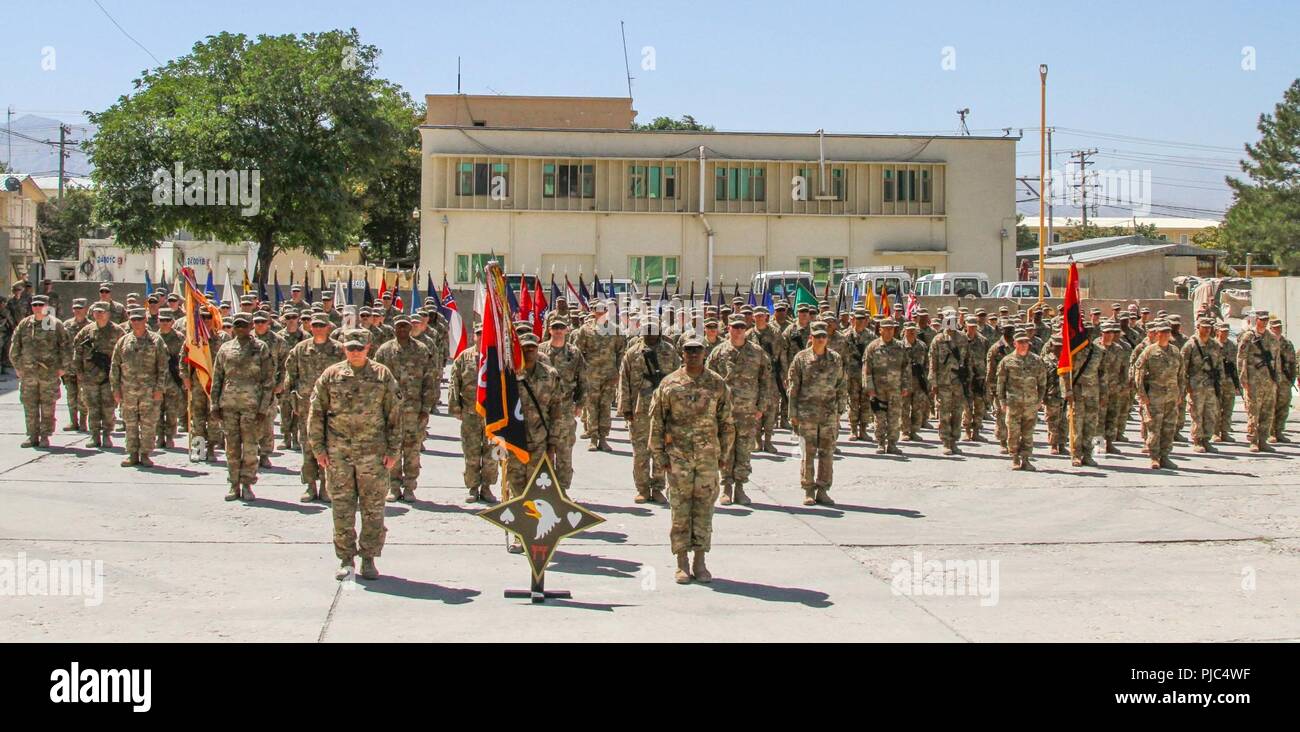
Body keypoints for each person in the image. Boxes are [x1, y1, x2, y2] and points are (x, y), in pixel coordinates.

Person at [307, 329, 401, 581]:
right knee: (342, 508)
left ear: (369, 347)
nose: (355, 352)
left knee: (373, 508)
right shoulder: (331, 375)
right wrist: (319, 449)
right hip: (339, 454)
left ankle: (369, 558)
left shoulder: (382, 375)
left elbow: (394, 415)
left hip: (373, 454)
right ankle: (346, 558)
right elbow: (316, 413)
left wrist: (393, 451)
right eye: (350, 348)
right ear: (344, 349)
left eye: (359, 348)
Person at [648, 336, 734, 584]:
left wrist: (724, 455)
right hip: (678, 458)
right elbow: (658, 422)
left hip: (708, 458)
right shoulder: (669, 384)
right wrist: (660, 455)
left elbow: (726, 422)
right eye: (689, 350)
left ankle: (700, 559)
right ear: (681, 353)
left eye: (697, 350)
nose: (693, 354)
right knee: (680, 508)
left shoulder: (717, 383)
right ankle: (681, 561)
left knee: (704, 508)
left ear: (705, 352)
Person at [504, 332, 565, 554]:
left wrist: (553, 444)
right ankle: (521, 535)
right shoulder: (509, 374)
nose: (529, 350)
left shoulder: (550, 375)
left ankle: (538, 534)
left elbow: (557, 411)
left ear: (538, 349)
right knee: (517, 490)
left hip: (540, 441)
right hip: (515, 443)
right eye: (525, 347)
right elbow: (499, 410)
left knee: (538, 492)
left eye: (532, 347)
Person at [210, 313, 276, 500]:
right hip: (229, 406)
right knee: (231, 447)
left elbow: (268, 380)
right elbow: (218, 378)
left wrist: (264, 408)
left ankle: (247, 484)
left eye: (244, 325)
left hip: (251, 408)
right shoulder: (225, 349)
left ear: (250, 326)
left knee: (249, 448)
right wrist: (214, 404)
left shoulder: (260, 348)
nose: (240, 329)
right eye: (237, 325)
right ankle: (233, 484)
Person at [707, 316, 770, 505]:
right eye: (735, 327)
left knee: (744, 450)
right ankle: (726, 487)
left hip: (748, 410)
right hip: (725, 411)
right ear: (728, 328)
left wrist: (761, 407)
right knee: (725, 449)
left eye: (742, 327)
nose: (738, 330)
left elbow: (765, 380)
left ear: (746, 328)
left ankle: (740, 488)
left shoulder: (757, 353)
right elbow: (708, 381)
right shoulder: (719, 352)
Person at [282, 314, 344, 502]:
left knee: (330, 447)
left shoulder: (339, 350)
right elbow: (290, 376)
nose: (317, 328)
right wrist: (292, 400)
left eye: (321, 325)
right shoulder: (300, 349)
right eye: (314, 325)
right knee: (308, 446)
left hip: (331, 407)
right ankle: (310, 485)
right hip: (306, 407)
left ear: (328, 327)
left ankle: (327, 487)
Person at [374, 315, 435, 502]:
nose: (402, 330)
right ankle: (393, 486)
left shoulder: (421, 350)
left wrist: (426, 408)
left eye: (405, 327)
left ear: (410, 329)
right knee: (392, 449)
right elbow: (376, 380)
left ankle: (409, 487)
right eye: (399, 326)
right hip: (391, 410)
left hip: (414, 411)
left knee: (412, 451)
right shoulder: (384, 351)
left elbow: (429, 380)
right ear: (394, 329)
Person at [786, 321, 846, 506]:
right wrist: (792, 413)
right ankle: (809, 489)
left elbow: (841, 384)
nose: (821, 339)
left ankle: (823, 489)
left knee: (827, 453)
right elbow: (793, 387)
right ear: (811, 337)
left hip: (828, 413)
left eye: (824, 336)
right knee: (808, 453)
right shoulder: (801, 358)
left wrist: (840, 410)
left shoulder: (835, 358)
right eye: (817, 336)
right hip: (807, 414)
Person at [619, 325, 680, 504]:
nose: (650, 333)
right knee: (640, 452)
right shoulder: (632, 353)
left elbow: (679, 378)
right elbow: (624, 380)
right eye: (647, 329)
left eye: (653, 329)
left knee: (660, 450)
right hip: (639, 409)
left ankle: (658, 487)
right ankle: (643, 489)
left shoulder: (669, 351)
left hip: (663, 409)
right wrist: (626, 409)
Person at [109, 309, 168, 467]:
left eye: (139, 319)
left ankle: (146, 453)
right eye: (133, 319)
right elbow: (115, 366)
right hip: (128, 391)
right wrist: (115, 389)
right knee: (130, 423)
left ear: (145, 319)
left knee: (148, 423)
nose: (136, 322)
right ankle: (132, 453)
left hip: (149, 391)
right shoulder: (124, 341)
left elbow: (163, 367)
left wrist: (159, 389)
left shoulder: (156, 341)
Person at [9, 295, 68, 447]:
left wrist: (63, 367)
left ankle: (45, 436)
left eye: (40, 304)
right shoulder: (25, 324)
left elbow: (66, 347)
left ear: (47, 306)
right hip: (28, 373)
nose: (37, 307)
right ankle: (32, 435)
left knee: (48, 405)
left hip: (48, 373)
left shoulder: (54, 324)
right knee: (30, 405)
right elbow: (15, 347)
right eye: (34, 305)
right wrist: (17, 367)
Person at [449, 324, 498, 503]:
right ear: (473, 336)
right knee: (471, 453)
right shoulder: (464, 357)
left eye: (485, 334)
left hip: (493, 414)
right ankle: (472, 487)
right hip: (470, 413)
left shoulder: (496, 357)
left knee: (492, 453)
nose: (481, 337)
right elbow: (455, 382)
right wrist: (456, 407)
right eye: (478, 334)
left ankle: (487, 487)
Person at [538, 317, 587, 491]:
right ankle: (546, 489)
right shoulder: (540, 351)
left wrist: (580, 404)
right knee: (544, 451)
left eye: (561, 327)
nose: (558, 330)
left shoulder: (574, 353)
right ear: (549, 330)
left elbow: (582, 379)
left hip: (565, 409)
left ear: (567, 330)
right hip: (542, 410)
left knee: (564, 451)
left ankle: (562, 489)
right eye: (555, 327)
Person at [573, 301, 623, 451]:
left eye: (603, 310)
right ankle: (593, 437)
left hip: (609, 375)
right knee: (592, 406)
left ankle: (603, 438)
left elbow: (621, 352)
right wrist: (581, 373)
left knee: (605, 406)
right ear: (593, 311)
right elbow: (578, 351)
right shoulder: (585, 330)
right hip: (591, 375)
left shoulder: (615, 330)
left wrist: (618, 372)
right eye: (597, 310)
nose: (600, 312)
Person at [1134, 320, 1183, 469]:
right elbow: (1139, 374)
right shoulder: (1149, 351)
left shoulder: (1175, 351)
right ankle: (1154, 456)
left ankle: (1165, 455)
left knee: (1169, 428)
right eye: (1163, 332)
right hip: (1154, 397)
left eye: (1168, 332)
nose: (1166, 335)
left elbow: (1181, 374)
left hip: (1171, 396)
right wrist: (1142, 395)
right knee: (1154, 428)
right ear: (1157, 334)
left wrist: (1180, 393)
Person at [997, 328, 1048, 471]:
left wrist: (1040, 400)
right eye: (1021, 342)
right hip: (1013, 403)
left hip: (1031, 404)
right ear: (1015, 344)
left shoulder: (1036, 360)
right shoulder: (1007, 361)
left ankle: (1025, 459)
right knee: (1013, 433)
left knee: (1028, 433)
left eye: (1026, 342)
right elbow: (1001, 383)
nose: (1024, 344)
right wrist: (1002, 401)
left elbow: (1042, 382)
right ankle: (1014, 458)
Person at [861, 317, 910, 455]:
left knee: (894, 417)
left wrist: (906, 386)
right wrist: (869, 388)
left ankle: (892, 444)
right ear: (880, 330)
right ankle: (881, 443)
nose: (889, 332)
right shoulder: (873, 347)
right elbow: (866, 370)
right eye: (886, 329)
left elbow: (906, 368)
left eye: (891, 329)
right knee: (880, 417)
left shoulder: (900, 347)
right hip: (878, 390)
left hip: (895, 389)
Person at [1237, 311, 1280, 452]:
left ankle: (1263, 440)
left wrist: (1276, 379)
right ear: (1256, 320)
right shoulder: (1249, 336)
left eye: (1267, 319)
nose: (1265, 322)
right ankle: (1253, 440)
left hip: (1268, 380)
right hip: (1253, 381)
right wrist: (1242, 379)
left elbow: (1276, 360)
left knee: (1267, 411)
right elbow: (1241, 357)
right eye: (1262, 319)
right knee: (1253, 411)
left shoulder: (1272, 338)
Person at [1062, 327, 1105, 468]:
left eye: (1092, 335)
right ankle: (1075, 454)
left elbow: (1102, 374)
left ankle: (1088, 454)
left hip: (1093, 393)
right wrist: (1067, 391)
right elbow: (1064, 372)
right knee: (1076, 425)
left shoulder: (1099, 351)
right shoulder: (1073, 351)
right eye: (1087, 334)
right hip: (1077, 393)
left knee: (1091, 425)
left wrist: (1104, 394)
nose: (1089, 337)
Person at [927, 310, 968, 455]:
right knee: (944, 413)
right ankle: (945, 442)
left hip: (958, 383)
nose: (950, 324)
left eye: (953, 320)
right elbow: (932, 363)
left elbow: (967, 361)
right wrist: (933, 383)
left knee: (957, 413)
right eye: (948, 320)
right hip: (943, 383)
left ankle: (954, 441)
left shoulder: (963, 338)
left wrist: (967, 381)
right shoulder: (938, 340)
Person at [1181, 317, 1224, 453]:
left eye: (1209, 328)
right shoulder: (1190, 345)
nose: (1206, 330)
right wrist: (1186, 386)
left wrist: (1220, 383)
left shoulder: (1215, 345)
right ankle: (1197, 440)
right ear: (1198, 327)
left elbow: (1219, 366)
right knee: (1197, 414)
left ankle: (1207, 439)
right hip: (1195, 387)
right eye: (1204, 327)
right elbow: (1182, 368)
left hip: (1211, 386)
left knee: (1211, 413)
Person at [154, 309, 187, 448]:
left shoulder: (180, 338)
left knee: (172, 411)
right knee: (157, 410)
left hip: (174, 381)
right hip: (158, 381)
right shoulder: (153, 338)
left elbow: (185, 358)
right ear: (158, 321)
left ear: (173, 322)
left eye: (168, 320)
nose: (165, 323)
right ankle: (159, 436)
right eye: (162, 320)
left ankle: (169, 437)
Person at [1099, 322, 1130, 454]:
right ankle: (1099, 445)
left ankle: (1109, 443)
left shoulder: (1118, 349)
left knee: (1112, 417)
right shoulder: (1095, 348)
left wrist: (1124, 385)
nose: (1110, 335)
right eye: (1107, 333)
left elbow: (1124, 368)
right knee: (1098, 418)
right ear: (1102, 333)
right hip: (1099, 390)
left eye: (1112, 333)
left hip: (1114, 389)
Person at [60, 299, 90, 432]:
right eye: (75, 308)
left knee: (82, 396)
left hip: (84, 369)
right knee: (71, 395)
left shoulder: (90, 326)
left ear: (86, 309)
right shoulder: (66, 325)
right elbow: (60, 344)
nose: (77, 310)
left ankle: (83, 422)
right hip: (69, 367)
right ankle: (73, 421)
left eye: (80, 308)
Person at [1269, 317, 1295, 443]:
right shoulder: (1266, 343)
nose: (1277, 330)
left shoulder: (1287, 343)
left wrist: (1291, 379)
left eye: (1279, 327)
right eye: (1274, 328)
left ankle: (1279, 431)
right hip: (1269, 380)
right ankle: (1270, 432)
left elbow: (1292, 363)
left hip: (1284, 380)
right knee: (1270, 406)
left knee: (1283, 406)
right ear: (1270, 328)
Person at [1215, 323, 1240, 442]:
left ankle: (1224, 431)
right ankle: (1215, 432)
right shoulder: (1212, 345)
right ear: (1217, 331)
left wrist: (1237, 384)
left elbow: (1235, 365)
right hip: (1216, 380)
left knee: (1228, 406)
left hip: (1229, 379)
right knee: (1216, 407)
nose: (1224, 333)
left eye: (1226, 331)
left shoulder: (1232, 345)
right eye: (1222, 331)